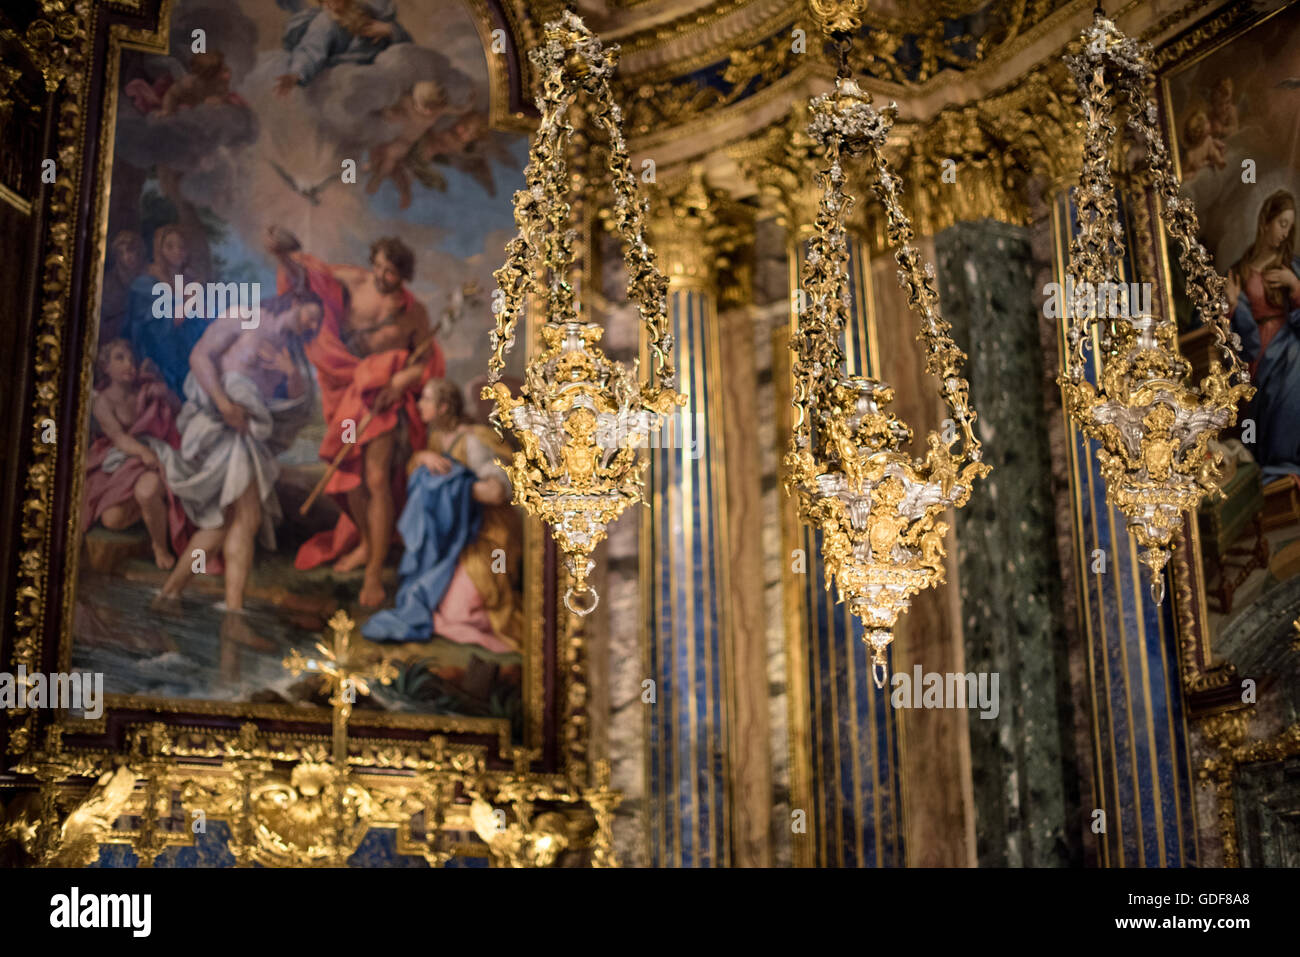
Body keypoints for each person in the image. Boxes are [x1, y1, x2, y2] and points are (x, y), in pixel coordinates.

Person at [268, 227, 445, 609]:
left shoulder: (414, 314)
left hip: (382, 398)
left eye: (392, 272)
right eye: (379, 267)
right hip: (344, 390)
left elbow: (425, 361)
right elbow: (310, 279)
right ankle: (367, 542)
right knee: (349, 476)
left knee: (377, 478)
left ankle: (372, 576)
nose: (382, 276)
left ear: (404, 276)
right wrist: (286, 255)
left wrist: (399, 380)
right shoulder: (354, 280)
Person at [155, 291, 323, 613]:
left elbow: (297, 403)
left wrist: (291, 374)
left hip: (245, 436)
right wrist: (224, 404)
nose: (312, 325)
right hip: (219, 426)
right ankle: (229, 610)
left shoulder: (290, 352)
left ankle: (173, 594)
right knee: (245, 517)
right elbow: (200, 357)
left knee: (227, 521)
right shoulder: (245, 317)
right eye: (309, 315)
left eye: (316, 322)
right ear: (292, 302)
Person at [362, 378, 522, 653]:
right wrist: (423, 457)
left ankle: (504, 640)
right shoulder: (437, 439)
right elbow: (418, 470)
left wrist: (450, 486)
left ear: (444, 407)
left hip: (489, 542)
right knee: (432, 605)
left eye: (426, 399)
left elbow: (496, 492)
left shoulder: (473, 440)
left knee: (455, 616)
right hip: (454, 542)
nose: (420, 405)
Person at [82, 338, 187, 569]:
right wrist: (142, 451)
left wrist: (165, 393)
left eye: (131, 358)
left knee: (147, 492)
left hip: (157, 454)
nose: (129, 364)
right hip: (122, 458)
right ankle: (160, 511)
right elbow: (119, 438)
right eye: (120, 358)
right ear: (105, 367)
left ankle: (160, 547)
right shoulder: (103, 402)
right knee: (112, 520)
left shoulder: (147, 388)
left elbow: (180, 413)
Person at [1226, 189, 1300, 481]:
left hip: (1290, 342)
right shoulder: (1240, 271)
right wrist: (1230, 305)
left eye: (1290, 227)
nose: (1285, 233)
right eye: (1282, 224)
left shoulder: (1291, 267)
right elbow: (1229, 329)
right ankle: (1280, 462)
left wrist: (1294, 285)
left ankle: (1291, 459)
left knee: (1296, 360)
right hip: (1257, 352)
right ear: (1265, 222)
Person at [123, 224, 211, 396]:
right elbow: (164, 326)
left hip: (192, 346)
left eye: (182, 246)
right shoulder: (146, 283)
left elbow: (206, 318)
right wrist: (191, 300)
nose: (177, 251)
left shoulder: (191, 279)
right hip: (162, 351)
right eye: (170, 246)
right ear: (159, 249)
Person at [275, 0, 411, 95]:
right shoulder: (325, 21)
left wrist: (390, 30)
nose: (332, 7)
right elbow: (310, 50)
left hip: (381, 79)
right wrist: (296, 74)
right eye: (325, 2)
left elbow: (407, 49)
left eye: (336, 0)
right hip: (342, 83)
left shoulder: (373, 14)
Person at [99, 231, 148, 345]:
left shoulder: (151, 273)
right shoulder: (110, 281)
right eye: (121, 253)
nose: (127, 257)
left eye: (130, 250)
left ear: (139, 251)